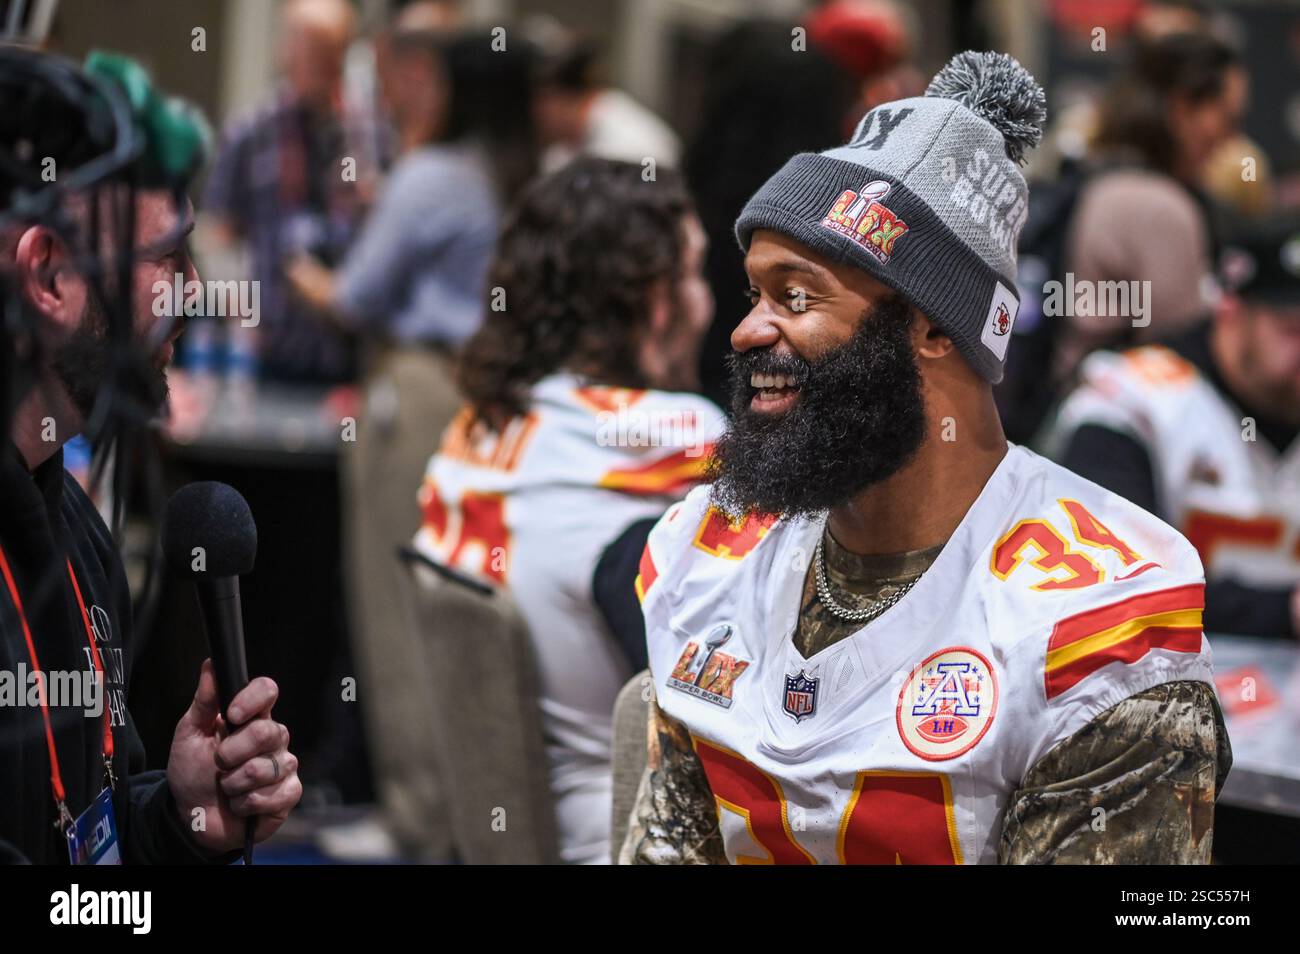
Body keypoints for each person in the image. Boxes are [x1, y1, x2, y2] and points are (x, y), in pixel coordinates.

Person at [618, 52, 1231, 865]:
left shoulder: (1100, 614)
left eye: (794, 295)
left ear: (935, 327)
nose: (746, 332)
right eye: (752, 294)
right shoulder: (705, 550)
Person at [413, 158, 724, 863]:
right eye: (696, 273)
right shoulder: (684, 437)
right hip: (623, 841)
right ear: (655, 300)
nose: (710, 303)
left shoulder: (471, 434)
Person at [284, 27, 537, 860]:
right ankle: (445, 813)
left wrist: (297, 267)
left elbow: (355, 297)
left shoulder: (433, 175)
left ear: (446, 85)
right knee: (452, 609)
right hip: (477, 398)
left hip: (416, 393)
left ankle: (414, 816)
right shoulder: (513, 172)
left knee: (396, 608)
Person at [0, 179, 302, 863]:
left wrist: (178, 819)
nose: (194, 291)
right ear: (48, 276)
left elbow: (89, 845)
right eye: (167, 255)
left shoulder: (77, 535)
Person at [1048, 218, 1300, 639]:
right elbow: (1114, 581)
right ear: (1230, 310)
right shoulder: (1131, 399)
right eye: (1292, 330)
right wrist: (1284, 612)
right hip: (1172, 684)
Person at [202, 0, 386, 383]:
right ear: (285, 51)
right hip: (269, 350)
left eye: (330, 54)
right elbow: (216, 234)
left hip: (353, 349)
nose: (319, 69)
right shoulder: (250, 132)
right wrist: (238, 307)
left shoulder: (373, 134)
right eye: (309, 53)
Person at [1053, 30, 1247, 384]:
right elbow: (1183, 365)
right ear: (1182, 108)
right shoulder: (1159, 208)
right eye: (1227, 119)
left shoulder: (1097, 175)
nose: (1231, 139)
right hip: (1113, 421)